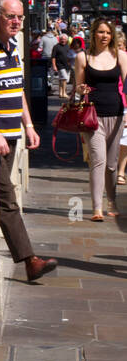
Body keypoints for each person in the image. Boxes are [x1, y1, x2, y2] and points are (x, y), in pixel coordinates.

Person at [0, 0, 58, 282]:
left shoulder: (14, 48)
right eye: (10, 17)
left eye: (19, 17)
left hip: (12, 136)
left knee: (0, 198)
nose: (16, 22)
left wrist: (29, 125)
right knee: (6, 199)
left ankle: (27, 259)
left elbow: (17, 90)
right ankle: (30, 260)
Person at [71, 16, 127, 221]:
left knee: (112, 164)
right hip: (92, 116)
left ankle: (112, 201)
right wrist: (81, 88)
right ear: (93, 33)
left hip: (117, 114)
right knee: (98, 160)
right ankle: (97, 208)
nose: (104, 36)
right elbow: (77, 86)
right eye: (101, 32)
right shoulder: (82, 57)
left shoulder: (120, 56)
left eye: (108, 32)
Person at [53, 33, 74, 99]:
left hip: (67, 65)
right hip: (59, 65)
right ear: (59, 39)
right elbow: (53, 57)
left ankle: (60, 93)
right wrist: (54, 66)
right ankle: (64, 93)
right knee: (64, 78)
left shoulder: (68, 46)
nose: (63, 40)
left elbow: (71, 55)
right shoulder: (56, 46)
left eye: (64, 39)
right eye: (62, 39)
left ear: (67, 40)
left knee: (62, 79)